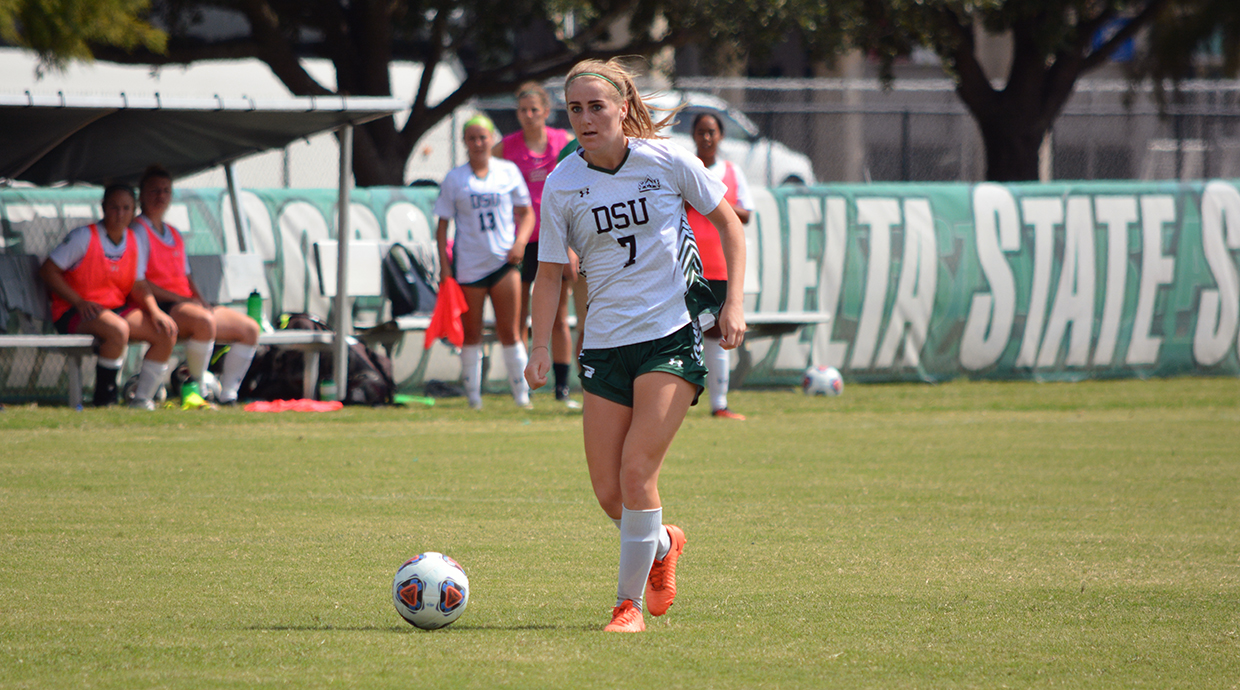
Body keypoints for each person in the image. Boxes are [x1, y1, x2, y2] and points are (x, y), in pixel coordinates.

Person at [525, 59, 747, 632]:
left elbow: (731, 226)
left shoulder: (667, 160)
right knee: (607, 492)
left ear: (624, 107)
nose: (585, 118)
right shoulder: (562, 182)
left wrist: (734, 303)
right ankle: (662, 542)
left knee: (636, 472)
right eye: (575, 109)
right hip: (604, 346)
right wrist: (534, 349)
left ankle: (626, 607)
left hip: (668, 339)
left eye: (596, 106)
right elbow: (550, 275)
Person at [39, 184, 178, 409]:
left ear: (134, 211)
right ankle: (105, 399)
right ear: (103, 207)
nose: (120, 214)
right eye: (114, 207)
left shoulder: (133, 239)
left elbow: (138, 284)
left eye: (126, 208)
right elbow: (47, 271)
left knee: (166, 332)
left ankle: (141, 399)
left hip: (113, 309)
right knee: (118, 329)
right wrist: (78, 301)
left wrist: (155, 312)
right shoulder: (84, 236)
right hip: (74, 311)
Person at [132, 165, 260, 406]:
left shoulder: (173, 233)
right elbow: (140, 282)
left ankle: (228, 396)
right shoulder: (138, 230)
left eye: (166, 191)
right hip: (164, 305)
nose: (160, 196)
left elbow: (186, 276)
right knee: (204, 322)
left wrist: (199, 300)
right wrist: (183, 301)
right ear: (141, 195)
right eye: (154, 191)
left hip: (185, 303)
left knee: (249, 329)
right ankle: (198, 390)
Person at [435, 114, 536, 409]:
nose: (478, 143)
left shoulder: (507, 171)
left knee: (511, 330)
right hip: (469, 266)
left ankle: (521, 395)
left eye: (483, 137)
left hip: (504, 262)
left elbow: (527, 212)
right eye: (472, 138)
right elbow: (442, 225)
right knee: (472, 332)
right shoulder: (455, 178)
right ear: (464, 142)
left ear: (492, 139)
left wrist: (520, 242)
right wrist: (444, 267)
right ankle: (474, 398)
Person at [492, 82, 581, 408]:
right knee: (519, 317)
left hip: (557, 237)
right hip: (519, 242)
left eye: (534, 110)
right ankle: (522, 386)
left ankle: (561, 388)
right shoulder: (507, 147)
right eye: (522, 110)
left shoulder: (563, 142)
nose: (528, 116)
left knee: (558, 316)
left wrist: (574, 242)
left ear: (546, 111)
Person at [688, 112, 754, 421]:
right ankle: (678, 400)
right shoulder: (686, 169)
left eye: (711, 131)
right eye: (701, 132)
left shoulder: (730, 171)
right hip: (689, 266)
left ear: (720, 136)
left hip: (720, 265)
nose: (706, 137)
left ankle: (720, 404)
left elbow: (745, 213)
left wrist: (714, 201)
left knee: (716, 334)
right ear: (693, 135)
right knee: (683, 334)